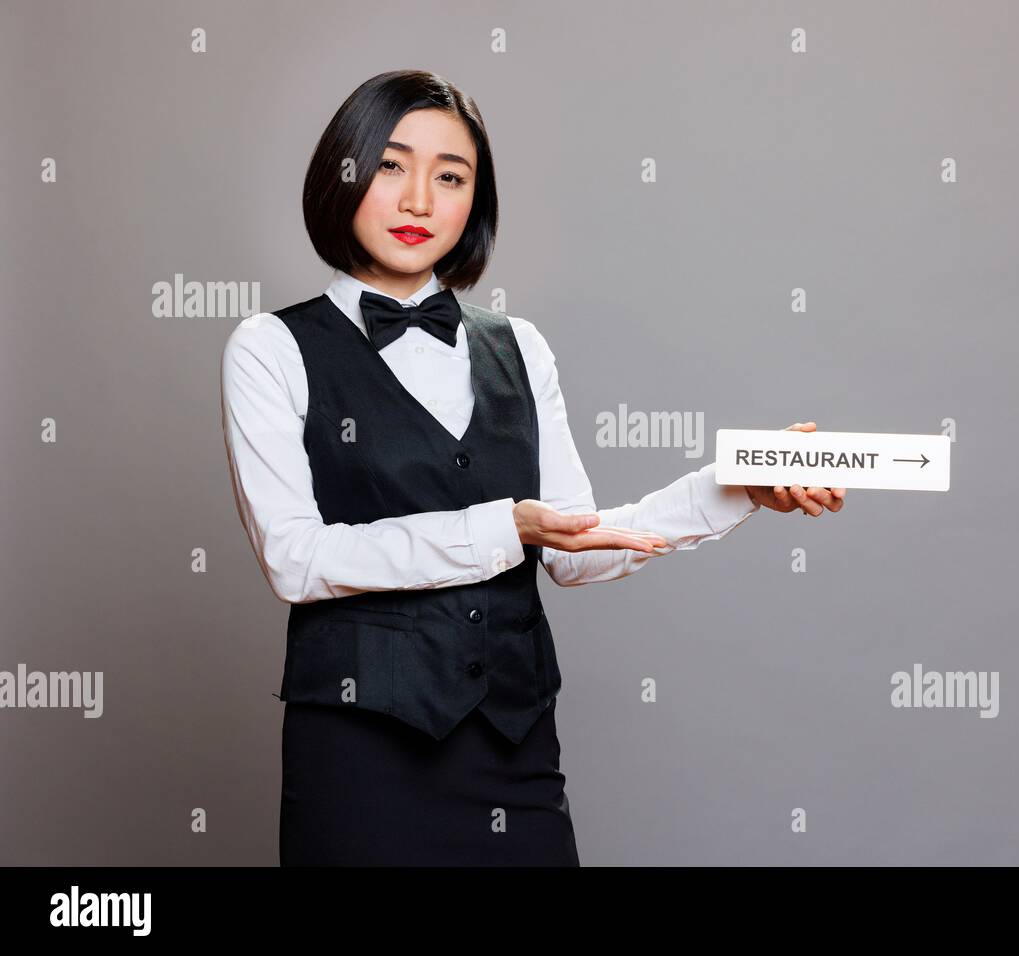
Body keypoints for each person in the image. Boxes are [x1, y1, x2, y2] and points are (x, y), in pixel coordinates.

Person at [219, 69, 847, 866]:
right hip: (359, 754)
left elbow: (575, 549)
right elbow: (297, 559)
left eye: (451, 177)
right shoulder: (270, 348)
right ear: (341, 172)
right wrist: (497, 527)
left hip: (513, 753)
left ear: (473, 204)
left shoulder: (518, 345)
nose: (419, 201)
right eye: (390, 165)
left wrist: (736, 485)